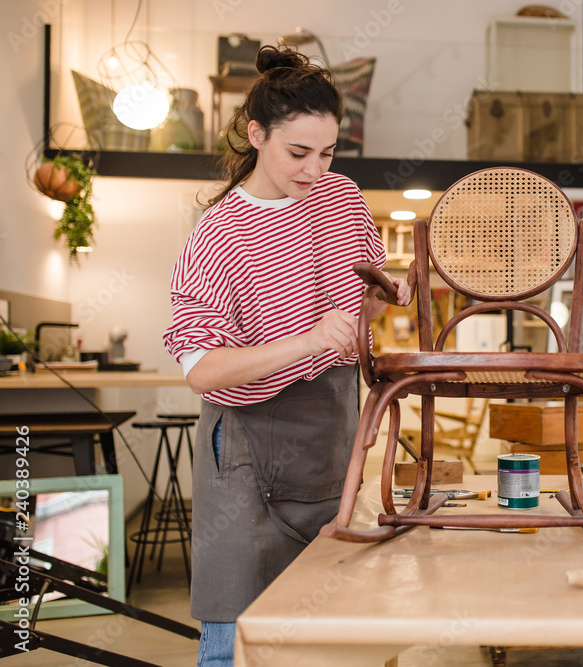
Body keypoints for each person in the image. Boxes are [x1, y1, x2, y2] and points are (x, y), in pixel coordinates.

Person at [162, 46, 409, 667]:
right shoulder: (221, 233)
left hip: (330, 427)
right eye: (298, 152)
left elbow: (356, 315)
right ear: (256, 134)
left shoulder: (341, 200)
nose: (314, 170)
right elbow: (202, 370)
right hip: (250, 446)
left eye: (327, 153)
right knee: (236, 636)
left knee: (327, 634)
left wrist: (384, 295)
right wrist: (305, 340)